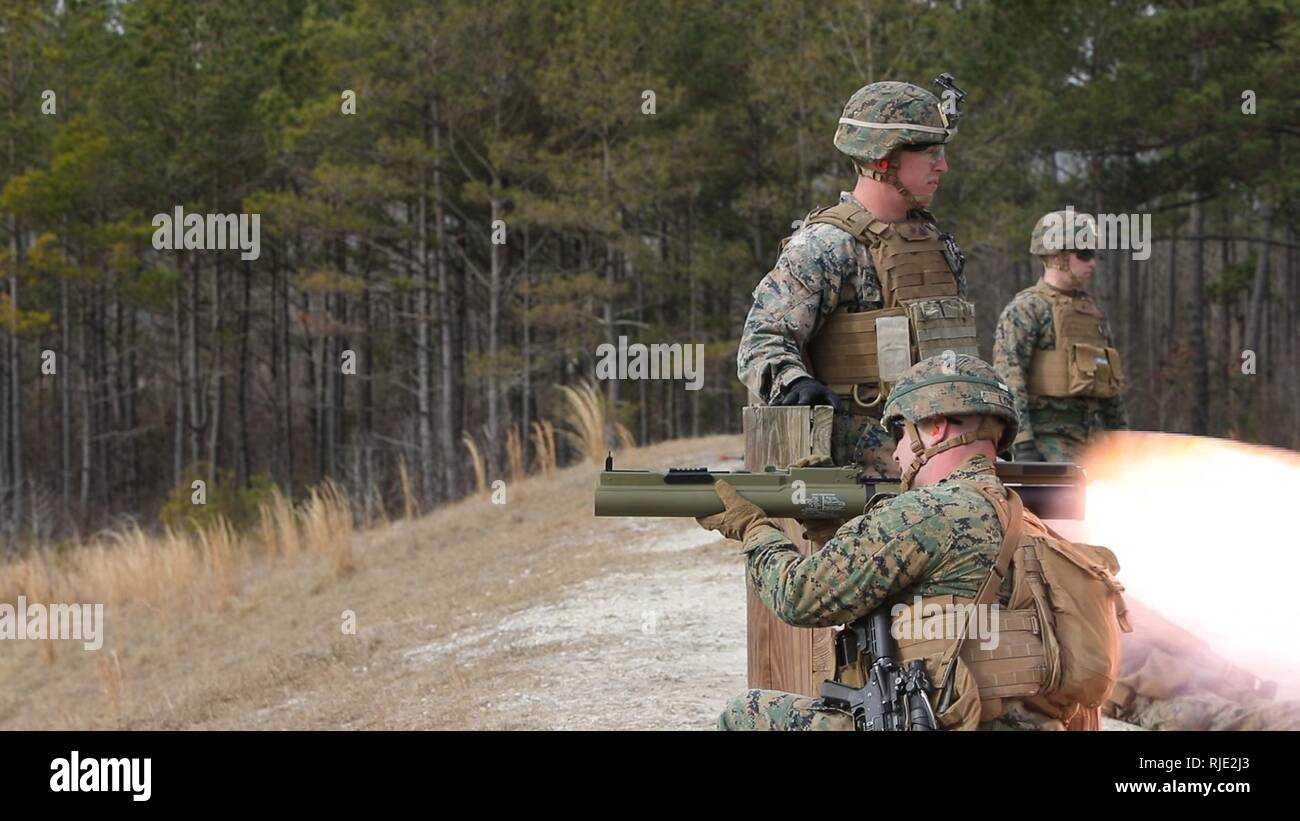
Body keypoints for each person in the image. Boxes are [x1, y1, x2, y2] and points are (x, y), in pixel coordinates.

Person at [698, 352, 1121, 730]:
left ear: (935, 429)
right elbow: (904, 590)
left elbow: (798, 595)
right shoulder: (1032, 525)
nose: (898, 453)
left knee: (746, 713)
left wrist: (753, 529)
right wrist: (832, 531)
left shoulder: (927, 512)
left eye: (901, 433)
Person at [737, 77, 977, 479]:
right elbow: (762, 340)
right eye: (930, 152)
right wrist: (795, 384)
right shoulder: (827, 247)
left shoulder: (938, 244)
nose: (943, 165)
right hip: (862, 475)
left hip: (946, 463)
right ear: (883, 159)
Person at [993, 209, 1128, 462]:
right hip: (1048, 441)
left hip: (1093, 441)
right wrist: (1023, 444)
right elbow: (1009, 378)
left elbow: (1110, 386)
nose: (1092, 262)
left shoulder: (1093, 312)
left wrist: (1121, 438)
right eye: (1084, 254)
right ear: (1058, 257)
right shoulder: (1027, 309)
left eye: (1093, 254)